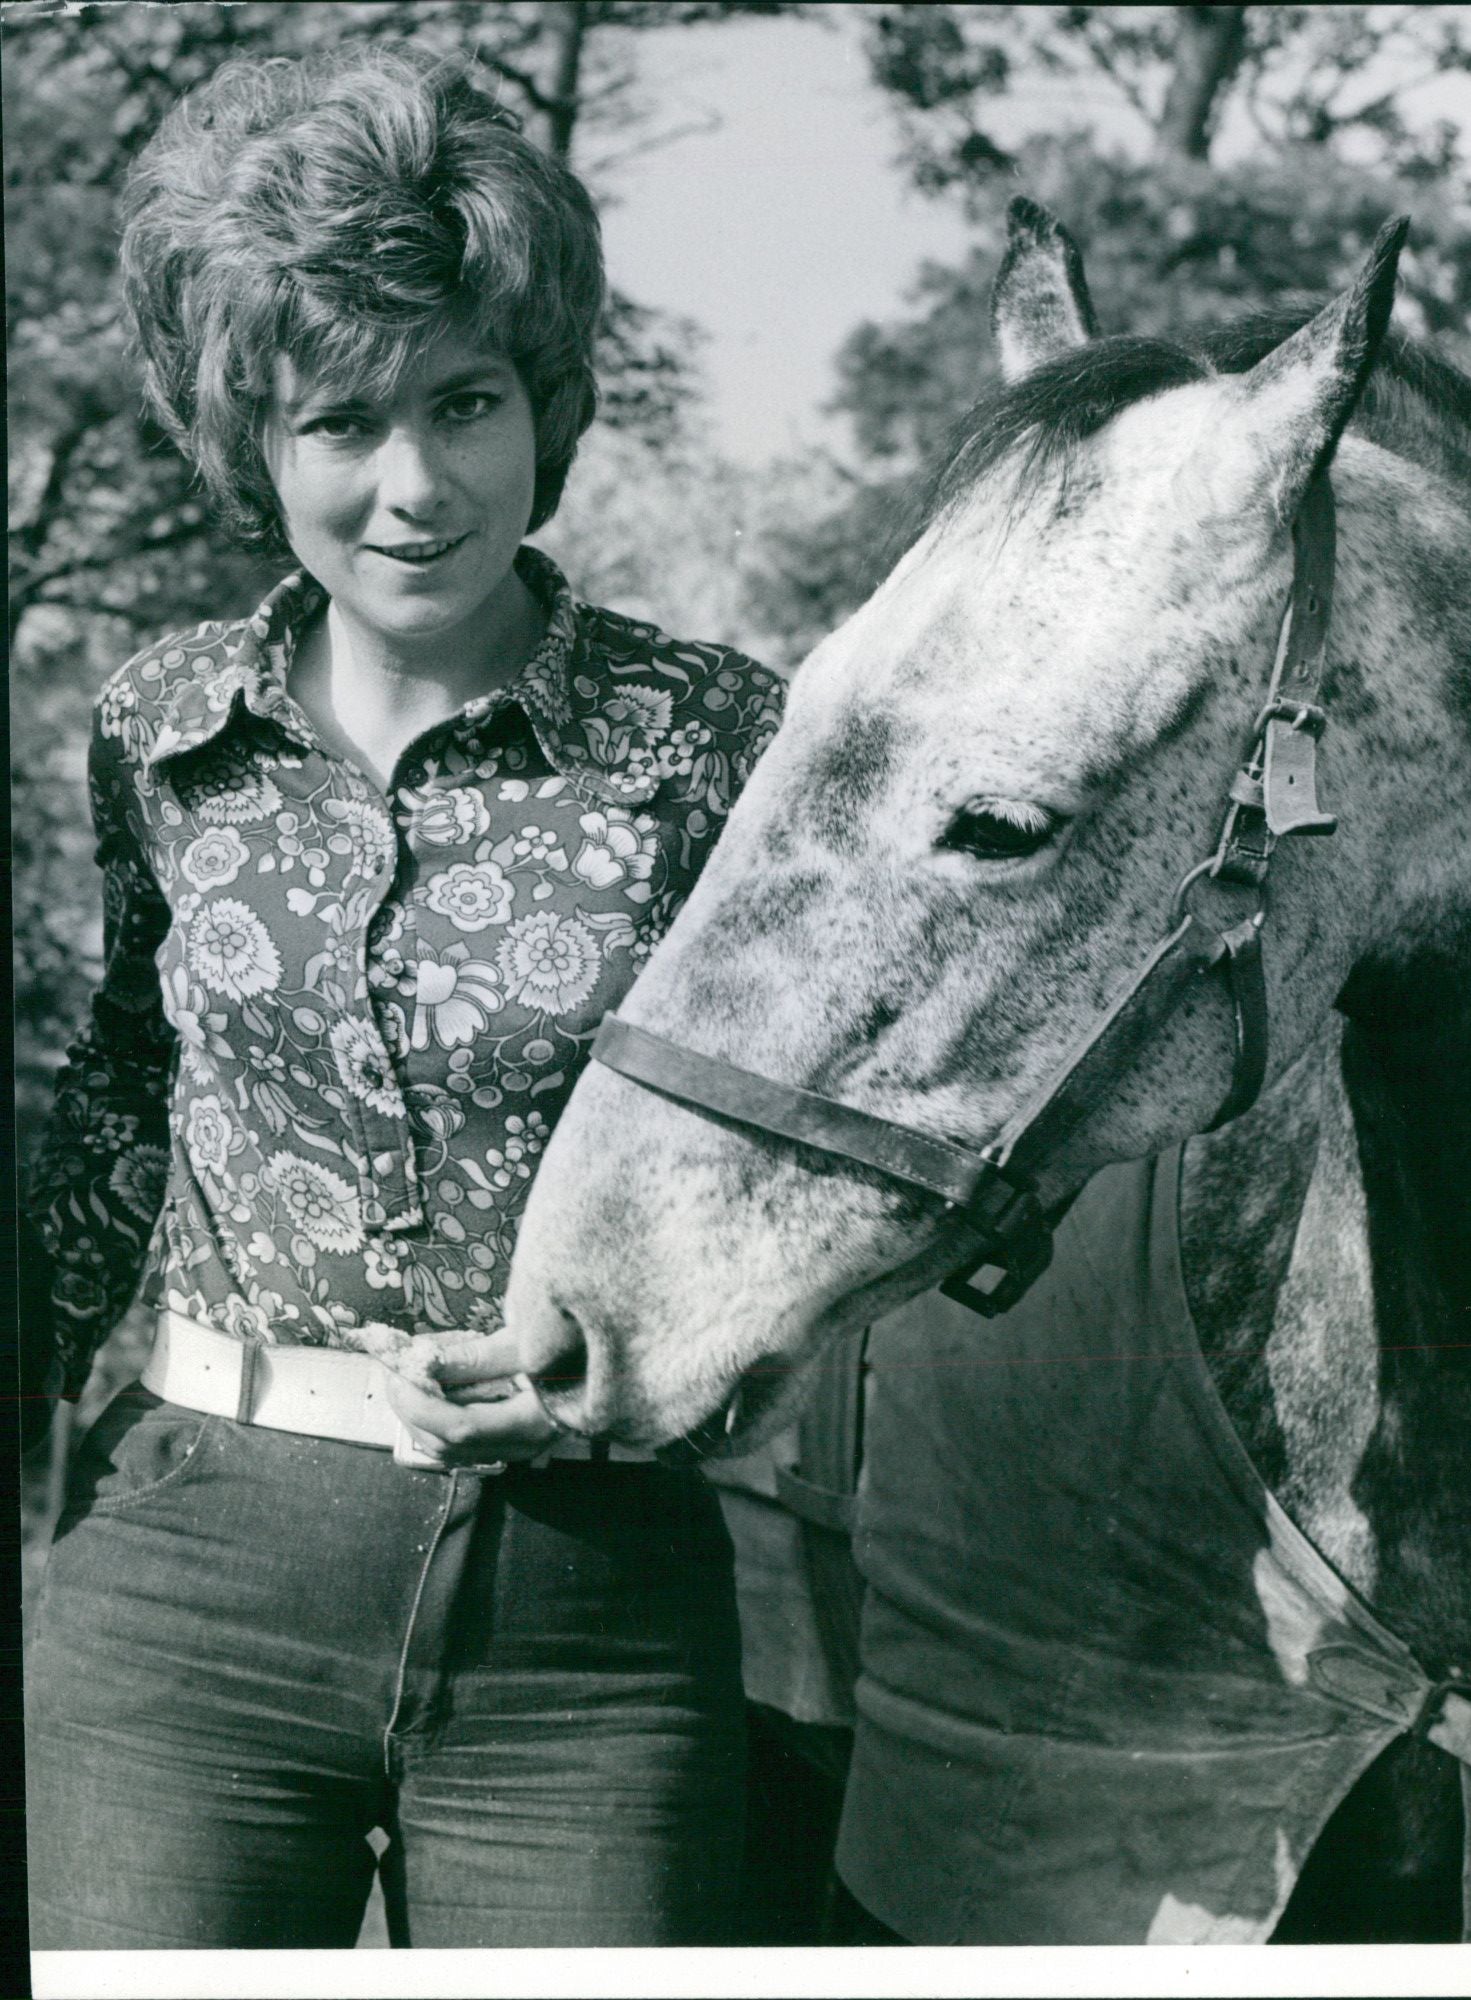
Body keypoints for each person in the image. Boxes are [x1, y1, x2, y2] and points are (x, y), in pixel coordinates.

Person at [24, 43, 782, 1950]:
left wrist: (640, 1382)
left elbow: (794, 1180)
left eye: (465, 402)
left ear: (548, 401)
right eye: (342, 420)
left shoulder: (716, 741)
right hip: (188, 1578)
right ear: (253, 444)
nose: (415, 486)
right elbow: (124, 1092)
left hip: (597, 1615)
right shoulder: (162, 729)